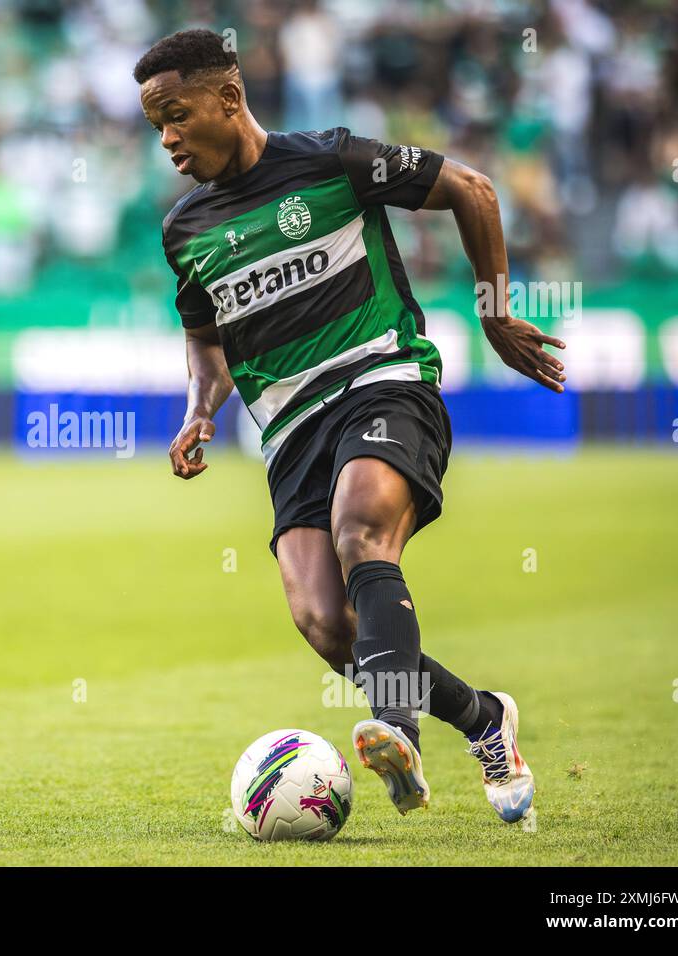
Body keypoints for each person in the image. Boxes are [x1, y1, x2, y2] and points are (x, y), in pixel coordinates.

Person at [135, 29, 567, 822]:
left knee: (360, 528)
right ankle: (485, 720)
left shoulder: (332, 161)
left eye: (175, 113)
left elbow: (472, 188)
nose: (165, 137)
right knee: (327, 624)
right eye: (154, 122)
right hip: (289, 431)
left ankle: (394, 726)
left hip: (383, 381)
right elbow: (206, 340)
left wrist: (496, 314)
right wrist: (200, 410)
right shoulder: (185, 232)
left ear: (228, 98)